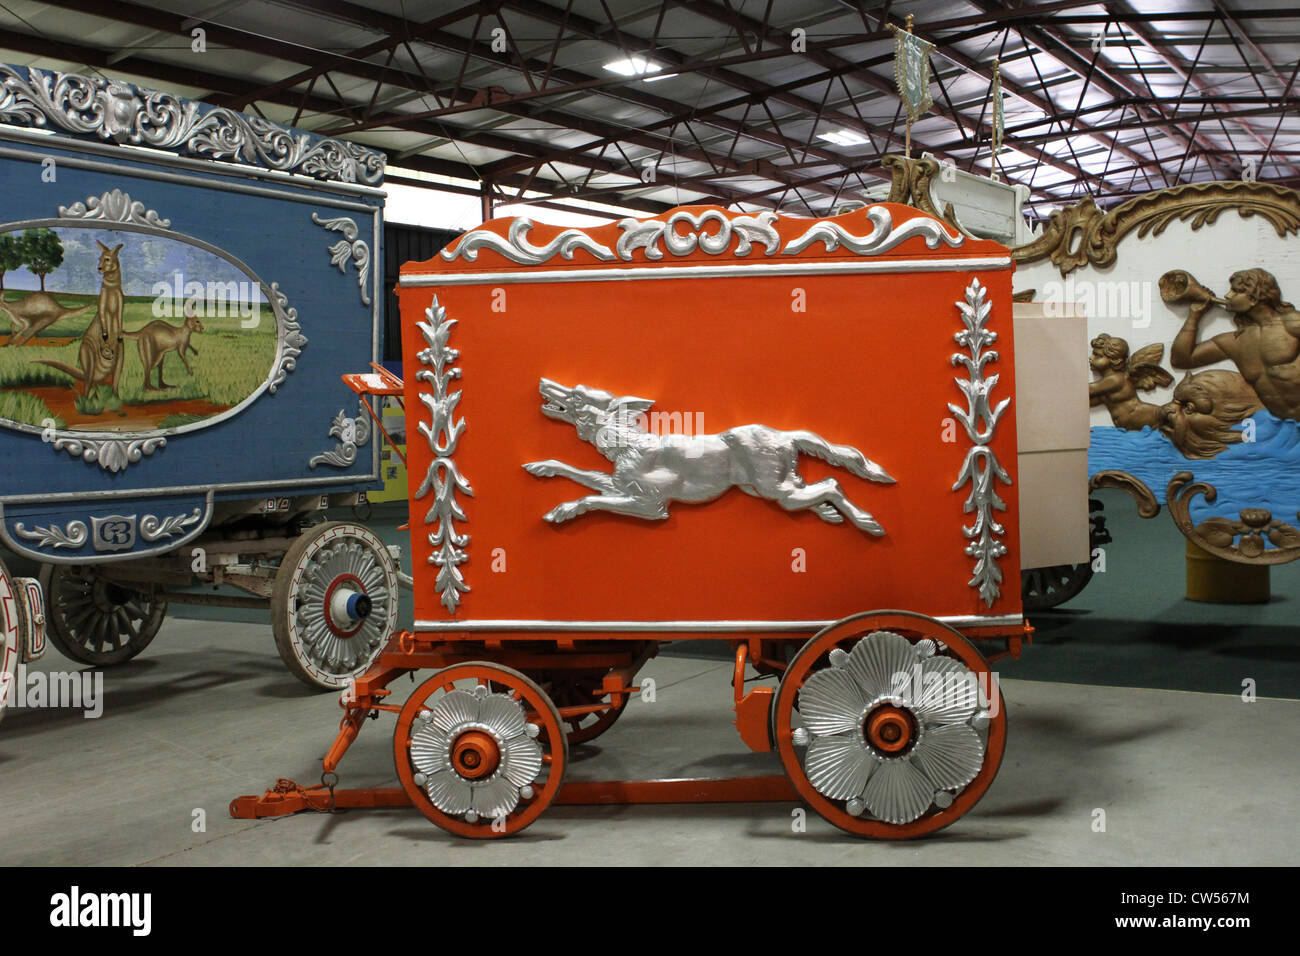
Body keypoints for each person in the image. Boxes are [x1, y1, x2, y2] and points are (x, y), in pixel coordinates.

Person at [1170, 268, 1300, 421]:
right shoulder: (1235, 341)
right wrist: (1194, 315)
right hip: (1284, 426)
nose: (1227, 296)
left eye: (1235, 291)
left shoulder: (1290, 323)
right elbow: (1181, 359)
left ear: (1253, 297)